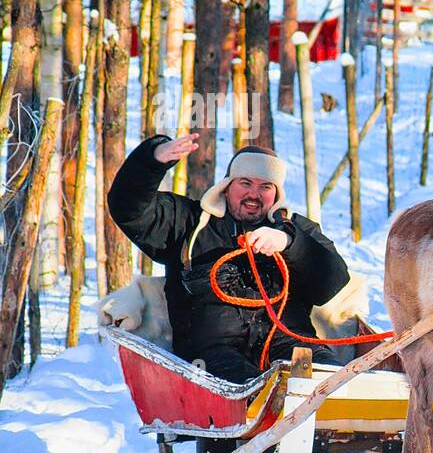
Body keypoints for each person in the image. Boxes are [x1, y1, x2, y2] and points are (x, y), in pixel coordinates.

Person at [108, 134, 351, 384]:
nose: (253, 195)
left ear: (277, 193)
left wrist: (290, 244)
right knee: (252, 392)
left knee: (335, 382)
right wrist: (151, 161)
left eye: (265, 187)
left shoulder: (296, 229)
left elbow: (332, 282)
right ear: (227, 185)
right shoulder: (187, 223)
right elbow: (128, 208)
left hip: (292, 344)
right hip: (212, 355)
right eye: (245, 183)